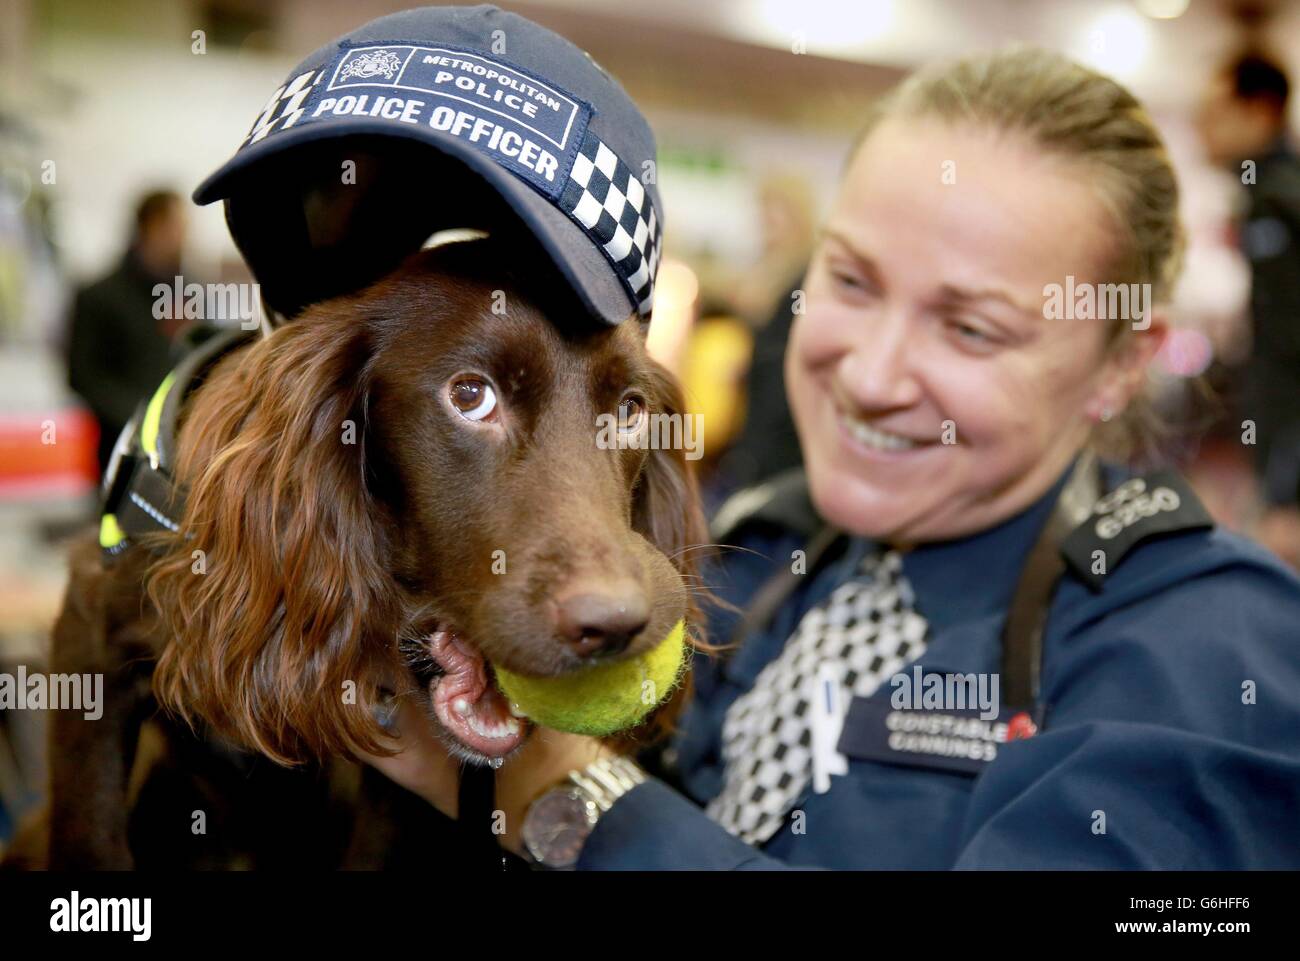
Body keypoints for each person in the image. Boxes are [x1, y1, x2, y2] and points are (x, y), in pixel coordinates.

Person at [370, 47, 1300, 870]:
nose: (869, 372)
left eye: (971, 328)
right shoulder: (759, 555)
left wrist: (564, 794)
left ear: (1123, 363)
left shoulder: (1209, 644)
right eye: (851, 281)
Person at [1198, 51, 1300, 567]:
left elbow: (1293, 347)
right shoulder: (1263, 193)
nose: (1202, 126)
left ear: (1259, 111)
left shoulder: (1281, 200)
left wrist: (1286, 489)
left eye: (1215, 111)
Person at [66, 189, 187, 473]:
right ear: (151, 226)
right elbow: (82, 376)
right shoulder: (99, 296)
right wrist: (139, 416)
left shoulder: (187, 292)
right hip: (119, 453)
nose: (183, 236)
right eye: (177, 226)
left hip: (178, 449)